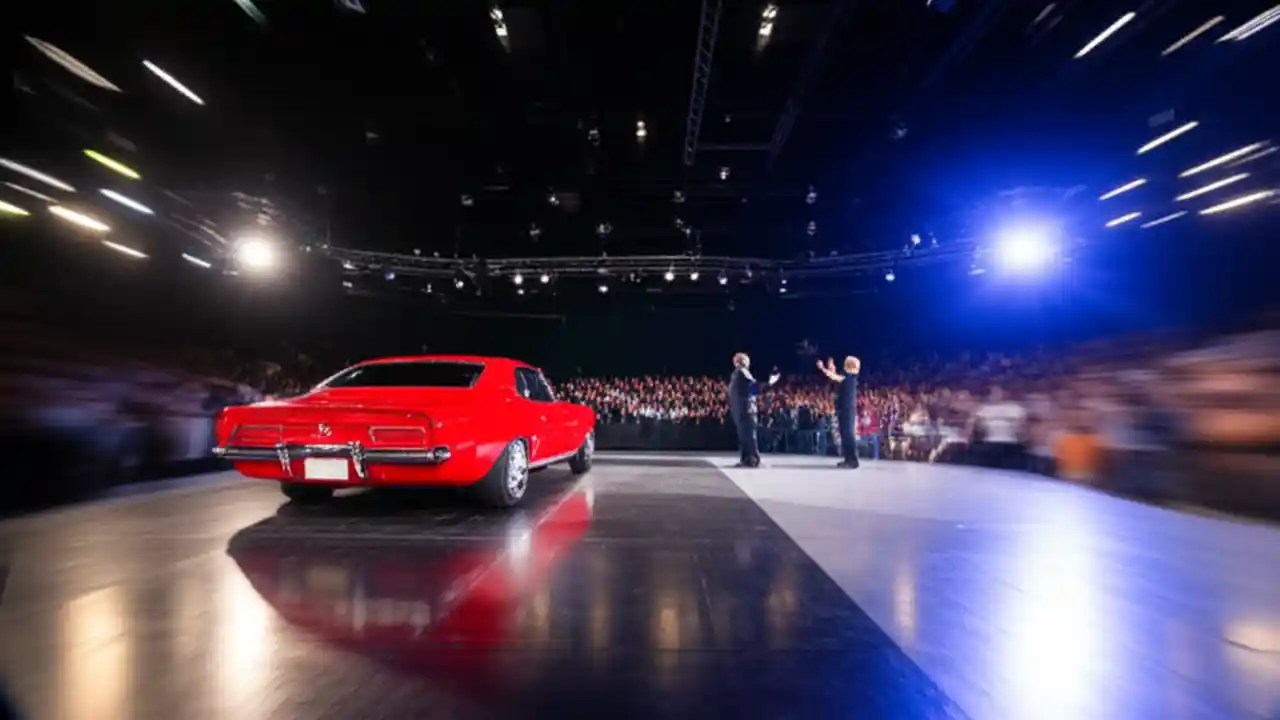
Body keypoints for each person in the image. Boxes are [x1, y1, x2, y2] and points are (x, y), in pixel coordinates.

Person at [727, 353, 779, 468]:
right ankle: (751, 459)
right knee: (748, 436)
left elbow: (750, 389)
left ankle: (750, 459)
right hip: (746, 410)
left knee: (746, 436)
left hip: (741, 410)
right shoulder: (742, 371)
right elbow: (754, 388)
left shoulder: (737, 374)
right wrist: (770, 383)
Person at [817, 356, 861, 469]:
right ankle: (848, 459)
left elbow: (835, 377)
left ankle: (852, 460)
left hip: (847, 408)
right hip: (844, 408)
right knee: (844, 434)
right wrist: (831, 368)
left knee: (848, 434)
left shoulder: (850, 378)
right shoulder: (849, 377)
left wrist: (823, 368)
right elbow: (836, 377)